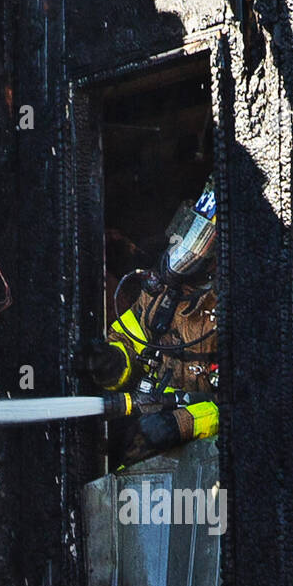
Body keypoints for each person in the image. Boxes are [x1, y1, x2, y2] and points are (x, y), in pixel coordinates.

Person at [82, 179, 220, 464]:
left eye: (200, 241)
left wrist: (180, 425)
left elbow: (246, 406)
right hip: (149, 443)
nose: (186, 249)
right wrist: (113, 362)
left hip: (207, 462)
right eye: (188, 231)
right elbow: (132, 341)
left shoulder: (230, 312)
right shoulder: (160, 290)